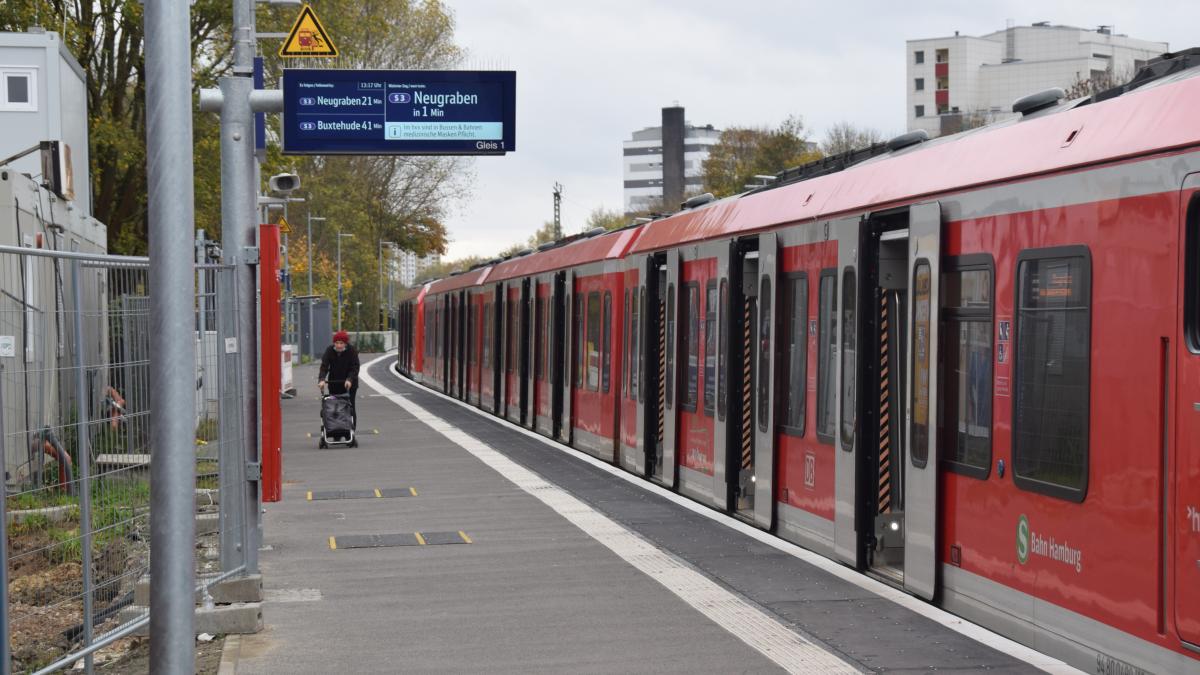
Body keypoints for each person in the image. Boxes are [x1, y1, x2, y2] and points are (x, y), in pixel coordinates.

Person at [318, 330, 361, 418]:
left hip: (349, 384)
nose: (339, 345)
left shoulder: (351, 351)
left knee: (350, 407)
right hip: (334, 383)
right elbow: (324, 366)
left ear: (345, 343)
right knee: (334, 407)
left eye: (341, 343)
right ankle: (335, 428)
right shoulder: (330, 350)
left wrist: (349, 379)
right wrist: (322, 379)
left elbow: (355, 367)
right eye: (336, 343)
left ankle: (351, 429)